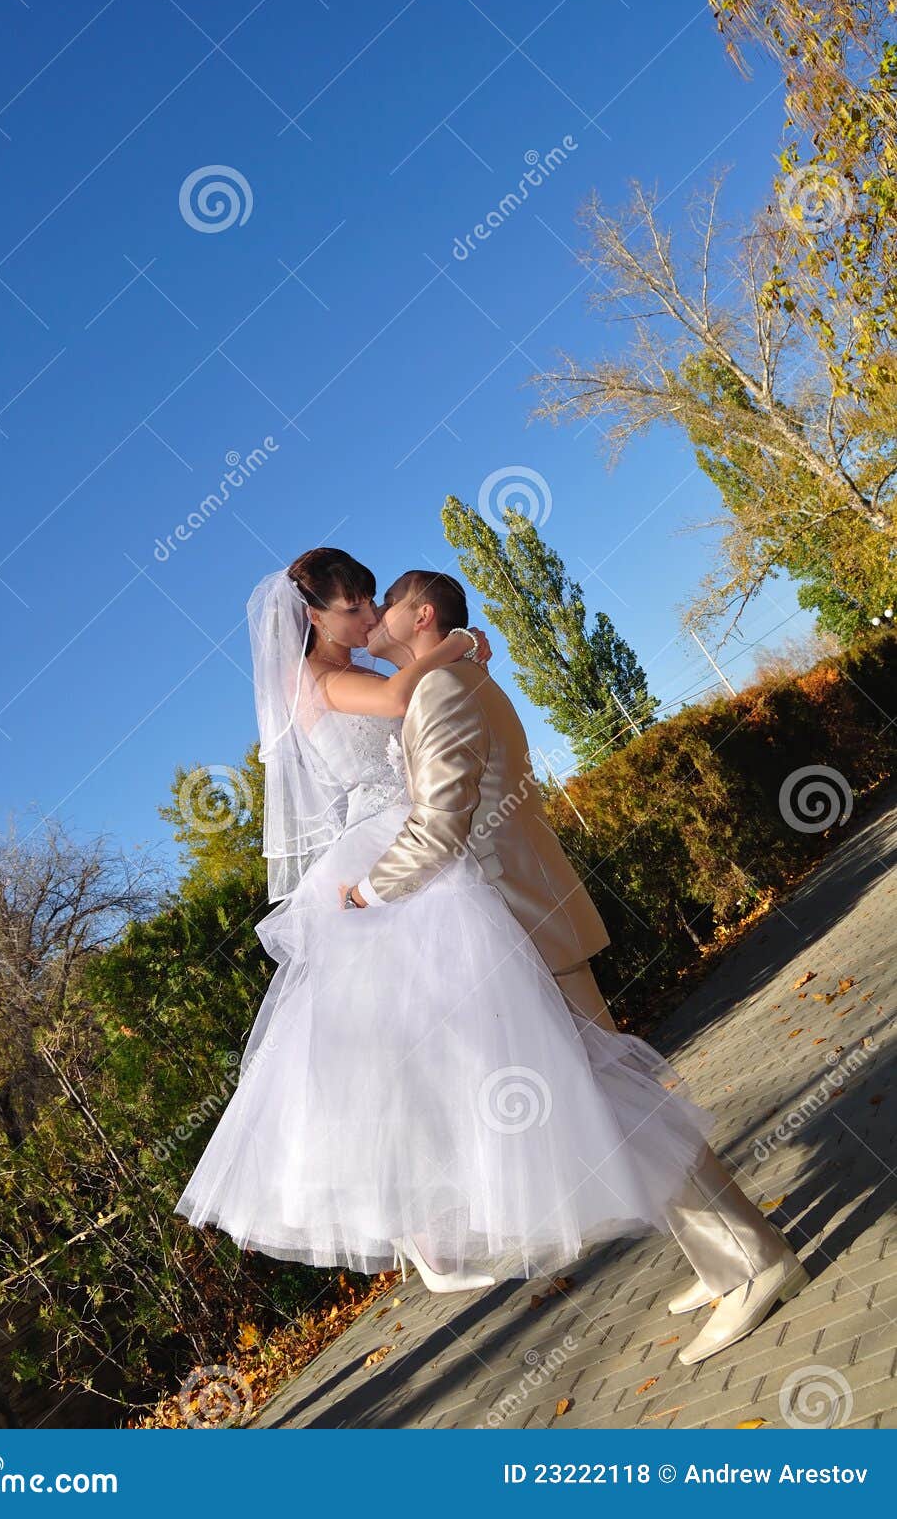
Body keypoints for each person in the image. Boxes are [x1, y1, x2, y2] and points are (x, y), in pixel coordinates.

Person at [175, 552, 803, 1364]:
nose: (371, 618)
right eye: (356, 606)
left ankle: (750, 1261)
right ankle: (719, 1259)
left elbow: (438, 818)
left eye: (380, 604)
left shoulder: (426, 682)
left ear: (419, 619)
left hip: (506, 913)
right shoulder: (378, 680)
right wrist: (461, 647)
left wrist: (370, 892)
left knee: (616, 1092)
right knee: (598, 1094)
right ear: (311, 617)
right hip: (484, 912)